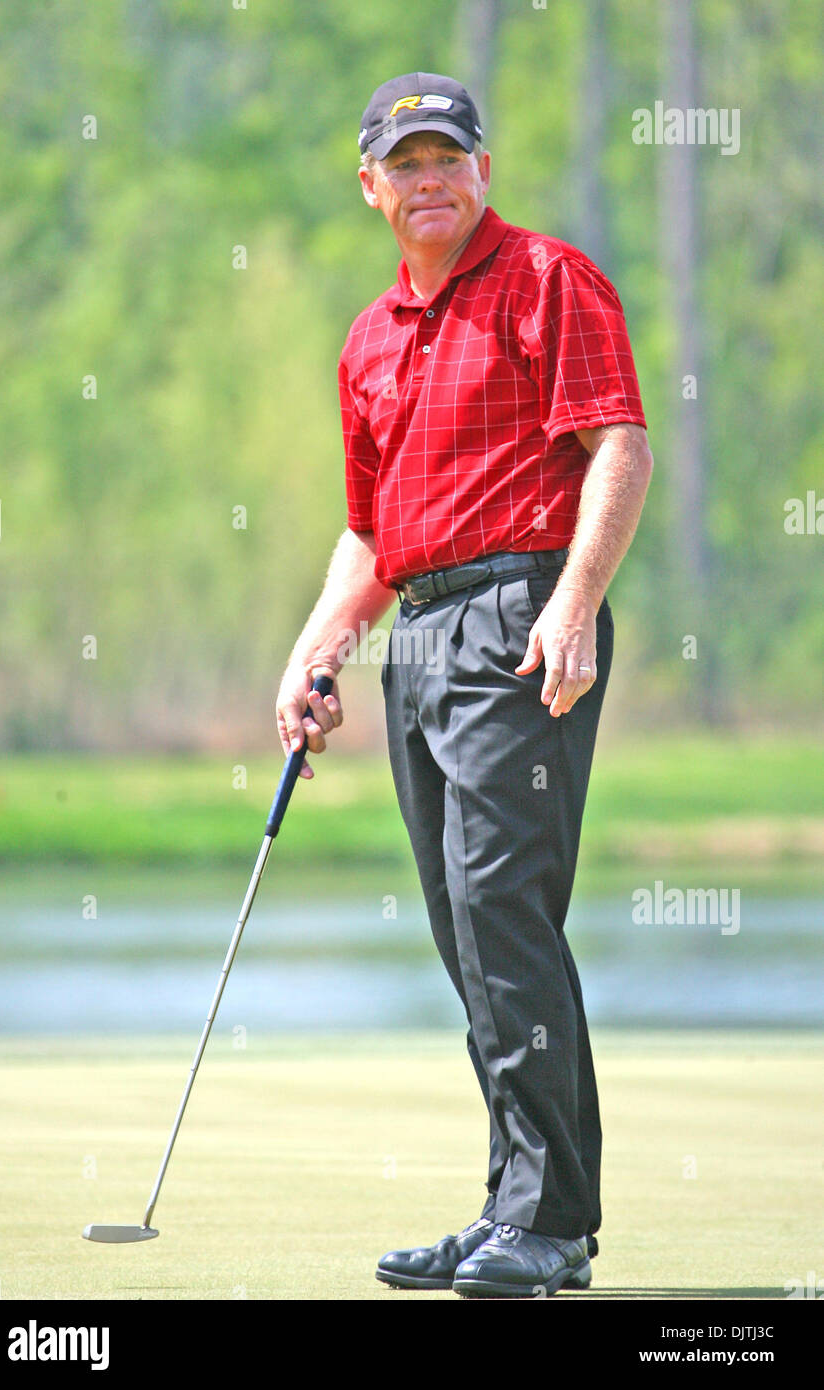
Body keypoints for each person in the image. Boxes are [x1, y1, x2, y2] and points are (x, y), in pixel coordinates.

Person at [275, 72, 652, 1299]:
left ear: (479, 171)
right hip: (420, 634)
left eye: (449, 158)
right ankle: (514, 1204)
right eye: (406, 161)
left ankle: (550, 1221)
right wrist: (317, 645)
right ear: (370, 183)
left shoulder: (551, 280)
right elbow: (371, 535)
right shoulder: (370, 339)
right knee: (462, 923)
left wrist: (573, 604)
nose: (428, 179)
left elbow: (619, 448)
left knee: (501, 905)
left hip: (519, 614)